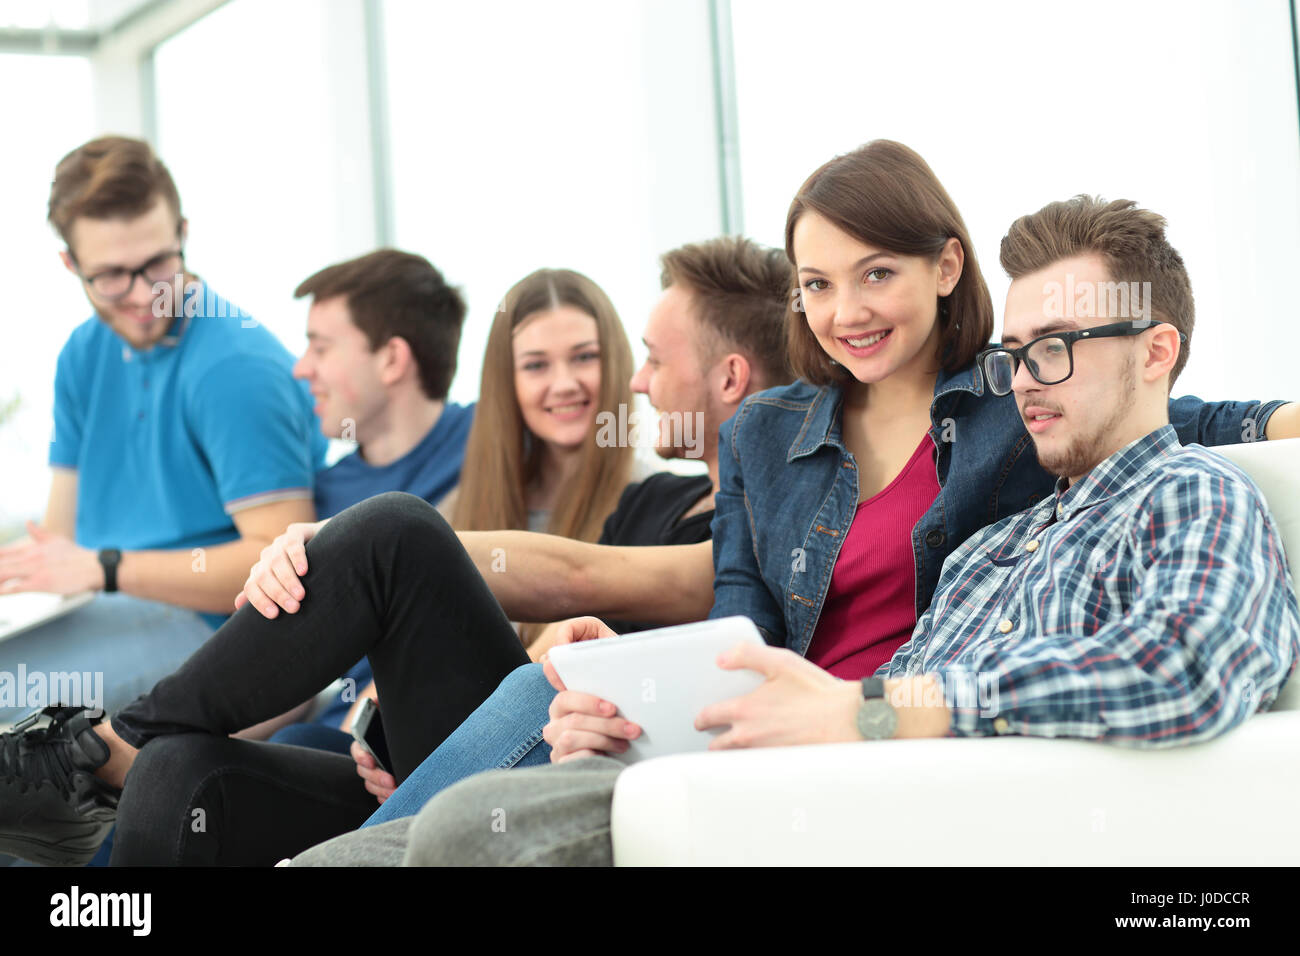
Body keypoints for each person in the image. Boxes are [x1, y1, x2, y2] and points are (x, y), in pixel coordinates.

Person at [279, 142, 1299, 865]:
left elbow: (1184, 662)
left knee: (472, 814)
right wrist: (642, 697)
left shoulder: (1178, 490)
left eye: (1055, 349)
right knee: (392, 830)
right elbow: (779, 650)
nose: (1027, 377)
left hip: (876, 782)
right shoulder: (999, 541)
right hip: (798, 748)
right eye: (816, 282)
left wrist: (866, 710)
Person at [0, 236, 792, 865]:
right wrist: (376, 717)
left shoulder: (711, 523)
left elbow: (580, 580)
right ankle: (95, 772)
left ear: (728, 377)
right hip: (437, 747)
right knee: (181, 773)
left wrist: (360, 548)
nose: (636, 383)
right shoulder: (575, 499)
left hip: (547, 756)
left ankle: (98, 743)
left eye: (635, 359)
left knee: (398, 535)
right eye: (537, 364)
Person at [0, 136, 325, 725]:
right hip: (107, 601)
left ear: (182, 232)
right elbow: (59, 536)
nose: (144, 294)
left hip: (220, 627)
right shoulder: (83, 353)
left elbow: (283, 560)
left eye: (156, 264)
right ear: (70, 266)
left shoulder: (235, 367)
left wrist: (105, 567)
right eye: (111, 276)